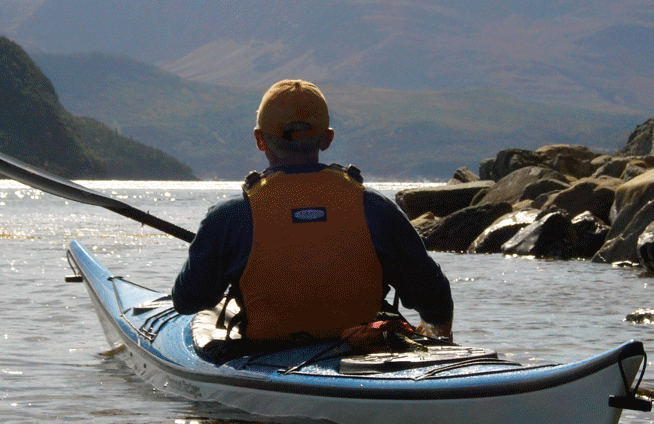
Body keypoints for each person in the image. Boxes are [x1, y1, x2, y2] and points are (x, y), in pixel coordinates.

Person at [171, 79, 453, 344]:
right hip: (361, 353)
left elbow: (188, 301)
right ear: (327, 139)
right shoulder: (375, 207)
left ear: (260, 139)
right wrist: (439, 341)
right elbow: (434, 297)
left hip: (265, 357)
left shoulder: (229, 216)